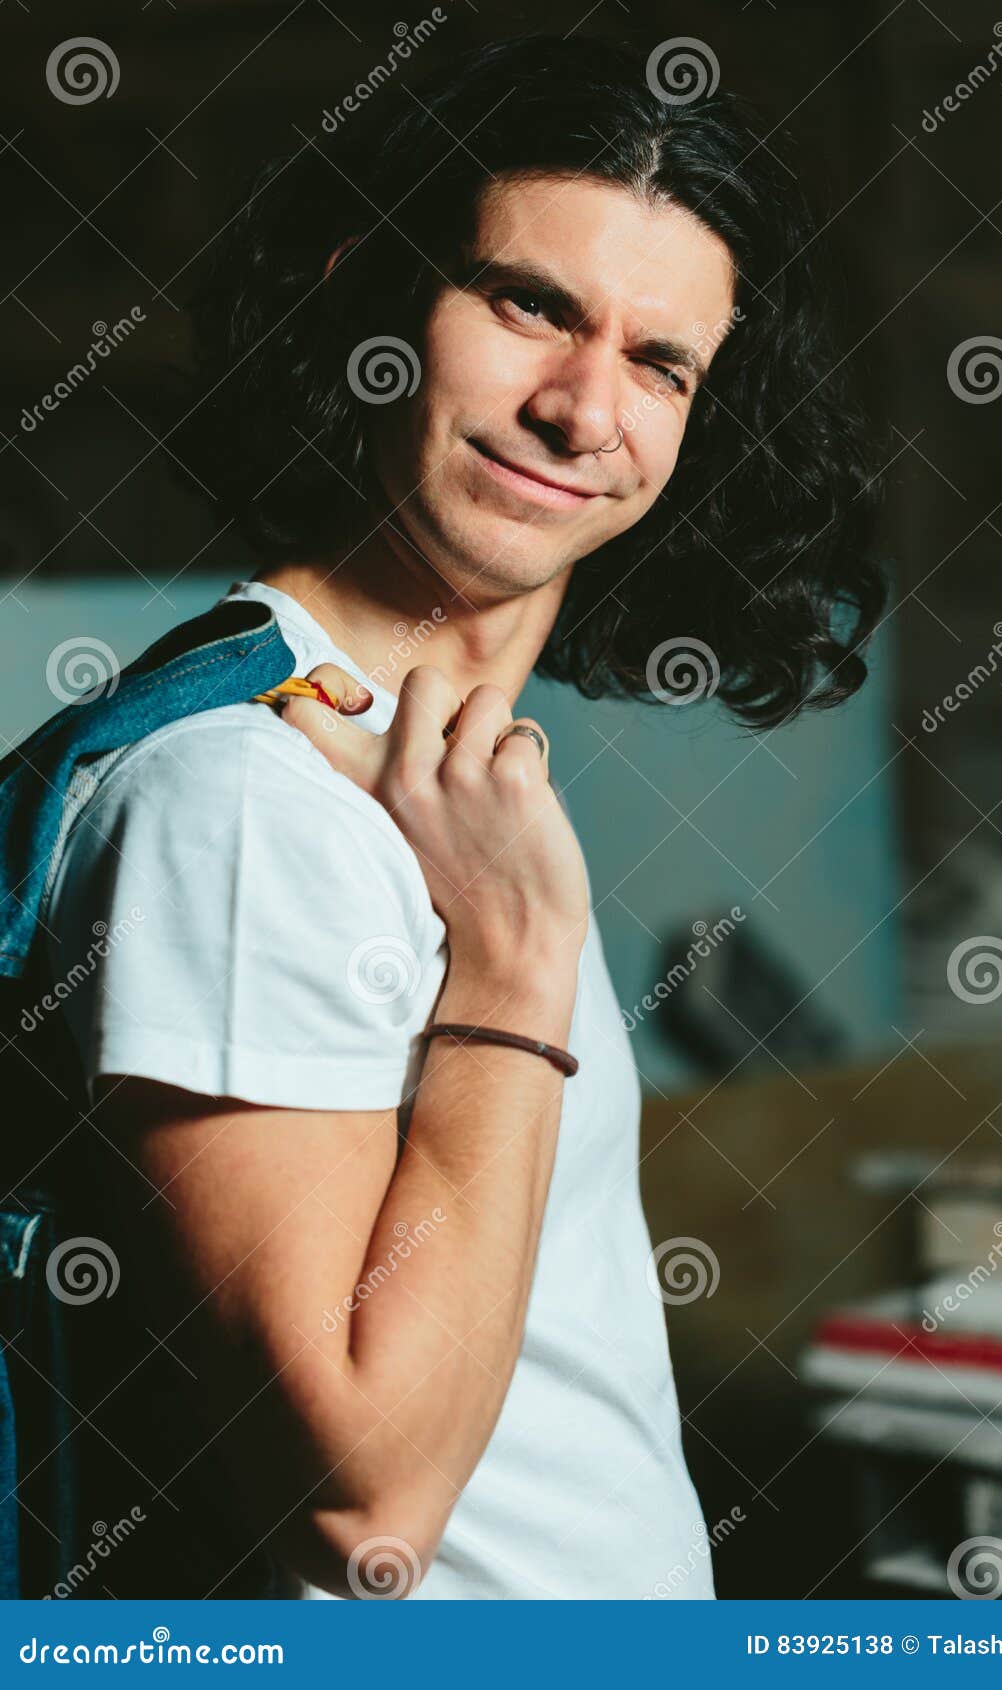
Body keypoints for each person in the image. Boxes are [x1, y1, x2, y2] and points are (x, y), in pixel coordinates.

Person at [38, 34, 884, 1599]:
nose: (583, 409)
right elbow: (360, 1509)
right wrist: (513, 975)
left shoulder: (411, 780)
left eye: (661, 363)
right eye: (531, 305)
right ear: (374, 292)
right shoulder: (240, 798)